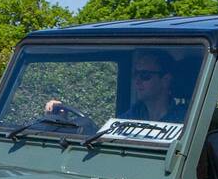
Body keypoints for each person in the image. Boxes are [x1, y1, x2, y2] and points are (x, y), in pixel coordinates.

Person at [45, 49, 187, 124]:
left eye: (144, 75)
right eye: (135, 75)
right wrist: (64, 121)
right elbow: (105, 137)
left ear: (165, 80)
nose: (137, 81)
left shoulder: (184, 119)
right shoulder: (132, 115)